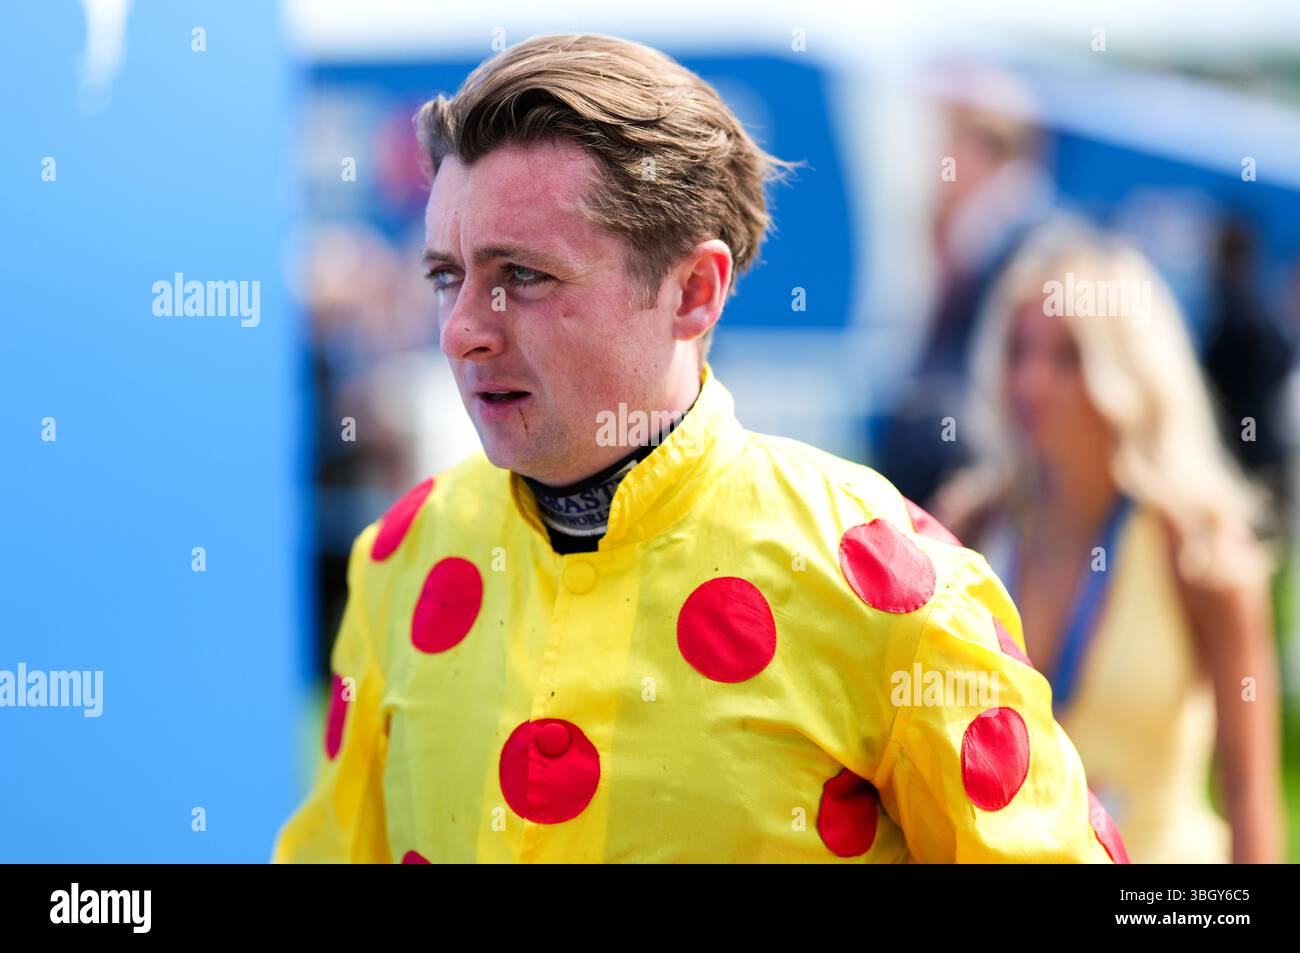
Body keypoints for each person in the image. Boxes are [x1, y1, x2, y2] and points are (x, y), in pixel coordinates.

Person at [273, 33, 1126, 863]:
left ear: (693, 290)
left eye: (522, 276)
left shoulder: (885, 583)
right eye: (446, 276)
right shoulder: (402, 555)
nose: (462, 331)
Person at [933, 223, 1285, 863]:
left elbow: (1250, 793)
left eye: (1067, 357)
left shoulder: (1198, 544)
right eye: (1018, 351)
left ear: (1127, 367)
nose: (1031, 383)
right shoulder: (968, 525)